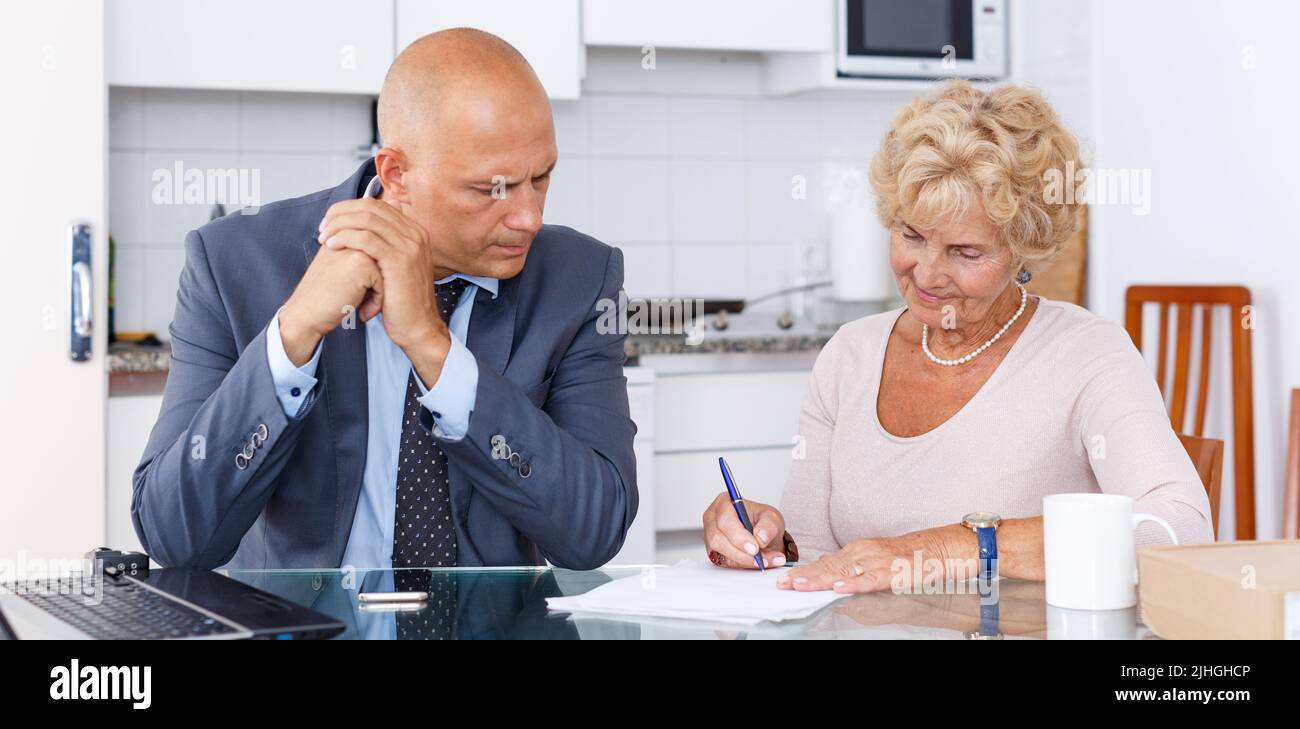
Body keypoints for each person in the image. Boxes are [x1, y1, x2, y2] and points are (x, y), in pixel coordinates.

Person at [132, 29, 637, 571]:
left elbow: (594, 533)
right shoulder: (232, 263)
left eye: (541, 177)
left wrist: (435, 350)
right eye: (492, 189)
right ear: (395, 175)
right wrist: (294, 334)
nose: (529, 217)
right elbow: (174, 536)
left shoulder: (579, 279)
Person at [701, 81, 1213, 593]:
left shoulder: (1085, 353)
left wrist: (959, 547)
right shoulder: (850, 355)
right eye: (912, 235)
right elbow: (810, 554)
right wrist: (765, 541)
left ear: (1023, 251)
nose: (926, 274)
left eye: (965, 252)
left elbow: (1180, 530)